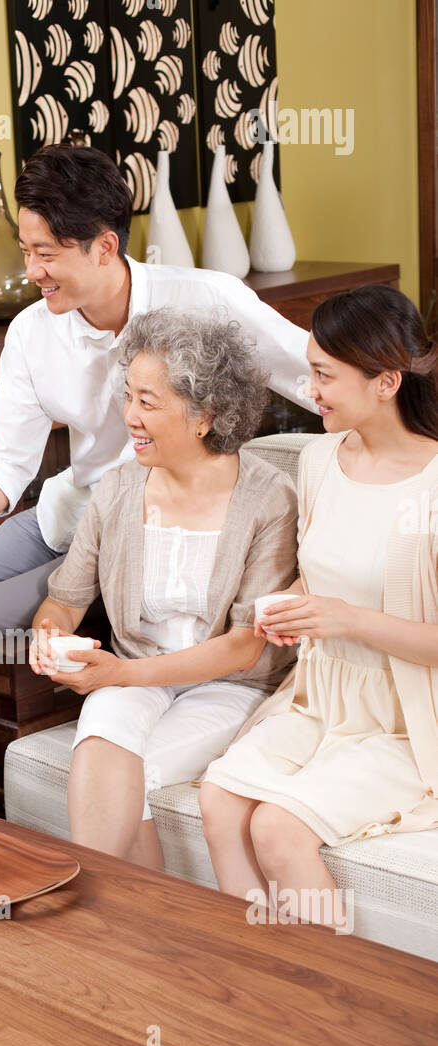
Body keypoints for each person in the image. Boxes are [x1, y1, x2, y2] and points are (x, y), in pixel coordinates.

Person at [0, 142, 315, 799]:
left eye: (45, 253)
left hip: (152, 529)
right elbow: (8, 463)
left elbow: (317, 377)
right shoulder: (33, 332)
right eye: (26, 251)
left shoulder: (206, 300)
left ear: (104, 247)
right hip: (73, 514)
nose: (31, 271)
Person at [199, 285, 438, 930]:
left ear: (387, 381)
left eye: (326, 376)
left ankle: (330, 1010)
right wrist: (289, 607)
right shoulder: (319, 460)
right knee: (219, 800)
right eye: (310, 371)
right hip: (321, 696)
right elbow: (316, 581)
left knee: (278, 828)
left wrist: (347, 618)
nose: (311, 390)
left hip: (407, 719)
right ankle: (262, 980)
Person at [26, 308, 298, 870]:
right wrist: (47, 639)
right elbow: (64, 601)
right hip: (139, 671)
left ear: (205, 416)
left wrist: (120, 675)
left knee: (137, 772)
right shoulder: (117, 490)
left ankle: (122, 930)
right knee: (101, 740)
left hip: (229, 685)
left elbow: (245, 646)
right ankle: (110, 923)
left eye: (148, 402)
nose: (129, 416)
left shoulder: (269, 498)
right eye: (128, 396)